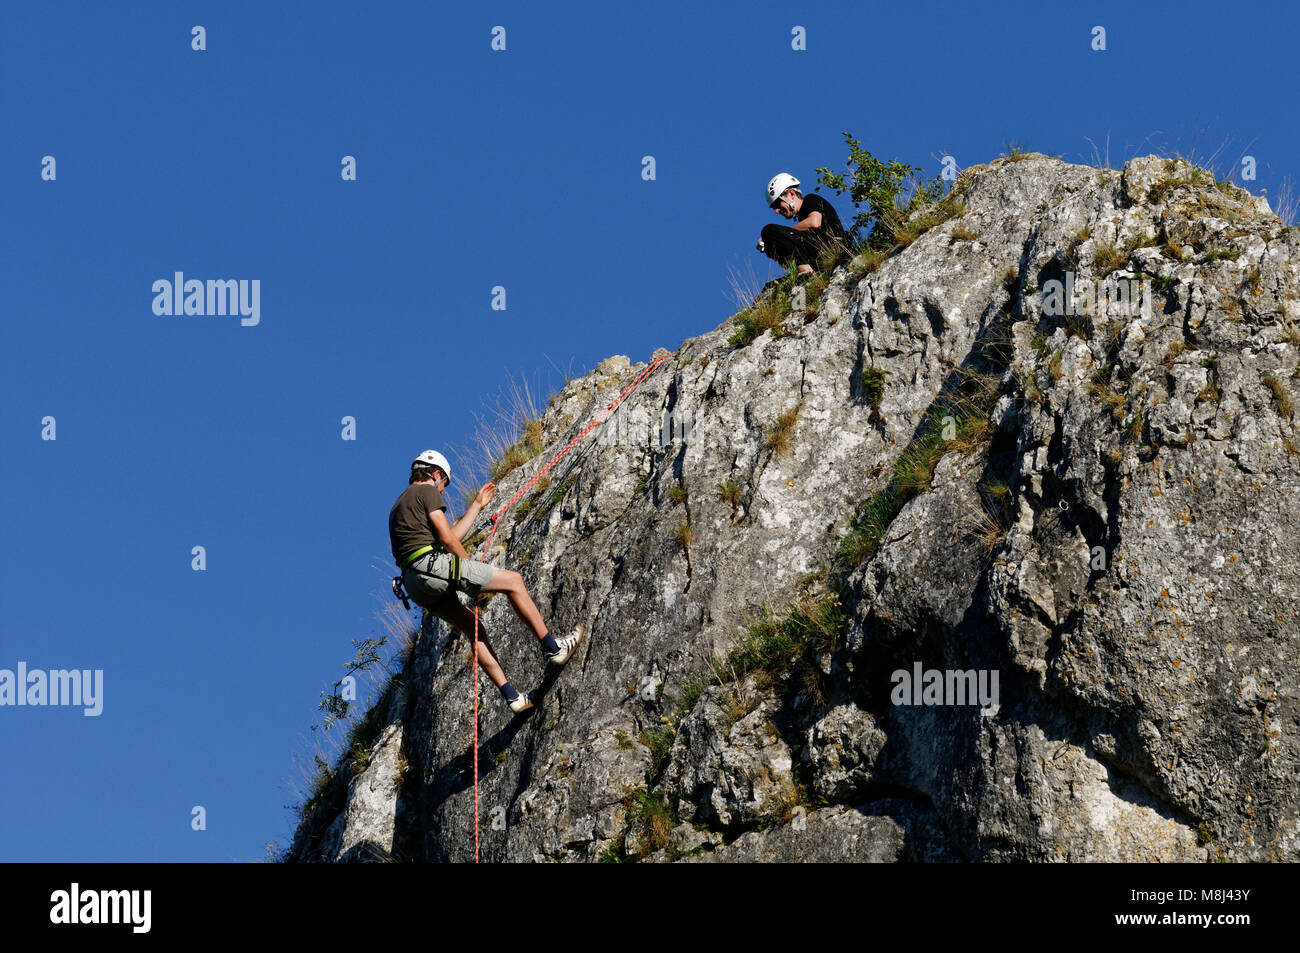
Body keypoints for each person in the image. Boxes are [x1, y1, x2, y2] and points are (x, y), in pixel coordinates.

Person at [389, 450, 583, 714]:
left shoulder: (398, 508)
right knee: (514, 581)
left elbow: (446, 537)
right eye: (444, 483)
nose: (444, 491)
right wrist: (469, 567)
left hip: (415, 584)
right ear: (435, 475)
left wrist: (477, 505)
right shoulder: (428, 492)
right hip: (432, 567)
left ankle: (513, 698)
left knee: (473, 628)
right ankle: (554, 647)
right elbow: (447, 539)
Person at [757, 172, 845, 275]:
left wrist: (783, 234)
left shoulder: (810, 199)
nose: (776, 211)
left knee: (768, 230)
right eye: (773, 207)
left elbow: (815, 222)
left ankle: (808, 274)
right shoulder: (802, 218)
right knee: (771, 238)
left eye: (777, 204)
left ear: (791, 194)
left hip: (832, 248)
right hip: (822, 254)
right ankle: (809, 274)